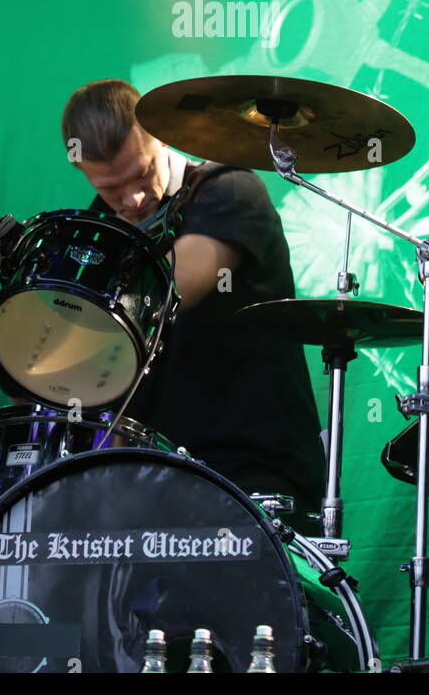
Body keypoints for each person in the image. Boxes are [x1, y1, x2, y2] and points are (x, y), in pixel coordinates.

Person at [60, 78, 325, 527]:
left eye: (141, 174)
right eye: (111, 189)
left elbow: (165, 290)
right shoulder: (99, 231)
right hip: (149, 475)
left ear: (161, 136)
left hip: (252, 469)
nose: (133, 199)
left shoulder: (230, 188)